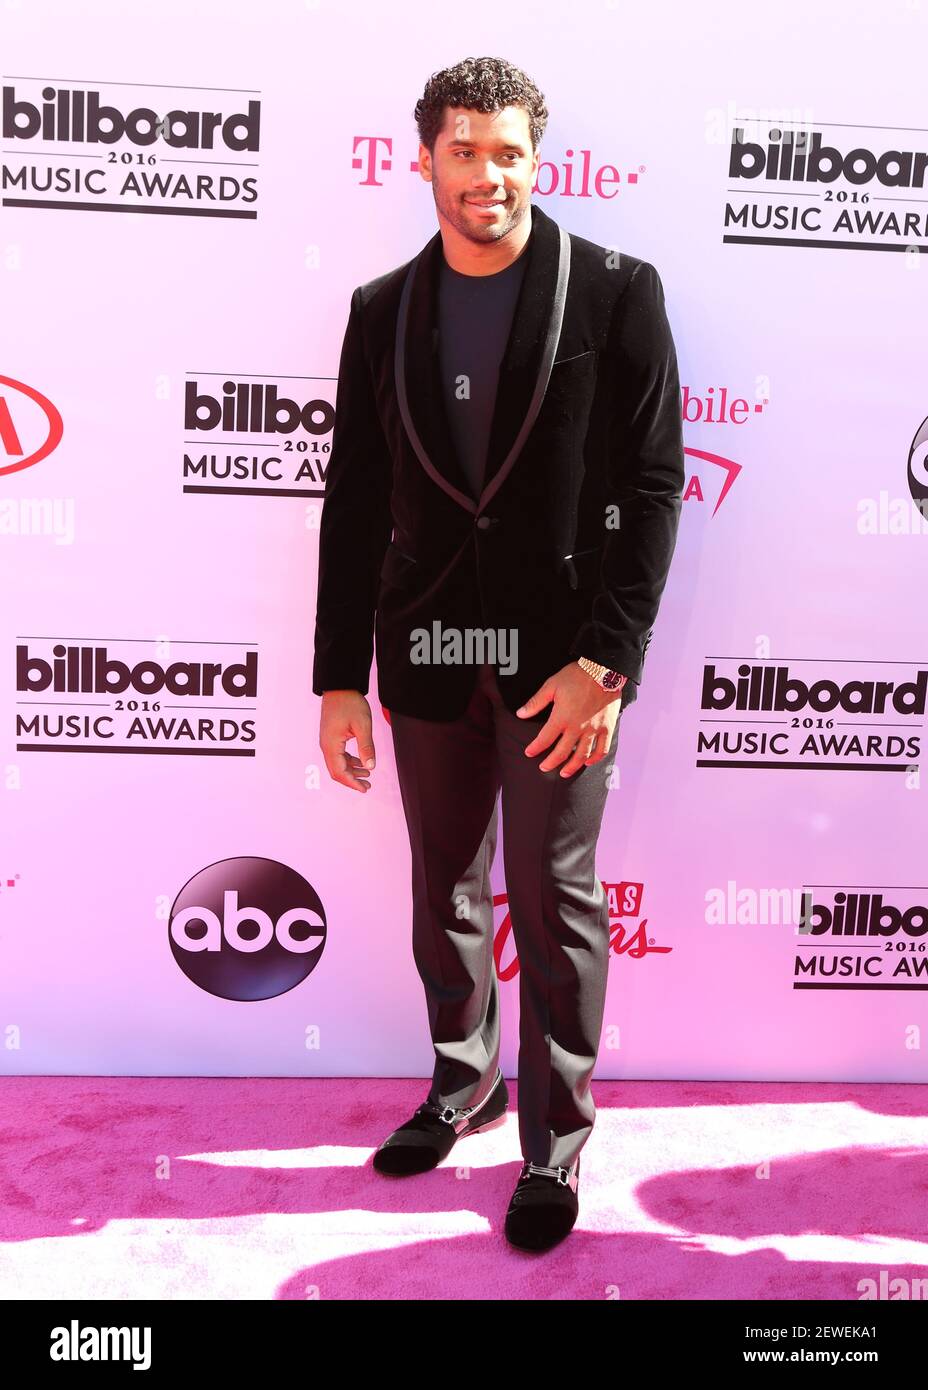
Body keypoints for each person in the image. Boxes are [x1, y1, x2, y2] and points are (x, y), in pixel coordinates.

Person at [313, 55, 685, 1252]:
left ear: (540, 157)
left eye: (509, 150)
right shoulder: (381, 310)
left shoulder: (618, 292)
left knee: (558, 892)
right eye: (464, 150)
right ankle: (462, 1078)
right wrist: (337, 678)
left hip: (560, 664)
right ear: (422, 157)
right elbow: (353, 498)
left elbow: (653, 482)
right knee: (446, 884)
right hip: (423, 653)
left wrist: (607, 662)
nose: (488, 174)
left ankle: (557, 1140)